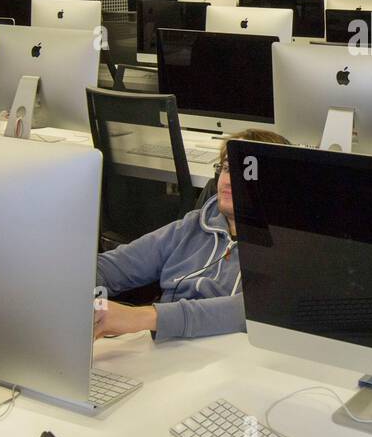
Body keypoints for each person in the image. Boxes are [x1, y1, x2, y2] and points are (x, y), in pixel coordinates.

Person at [93, 128, 290, 342]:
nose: (229, 180)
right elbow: (107, 268)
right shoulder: (192, 226)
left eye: (246, 170)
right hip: (166, 349)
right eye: (226, 168)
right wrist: (98, 307)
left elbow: (249, 309)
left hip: (230, 358)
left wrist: (144, 317)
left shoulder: (285, 245)